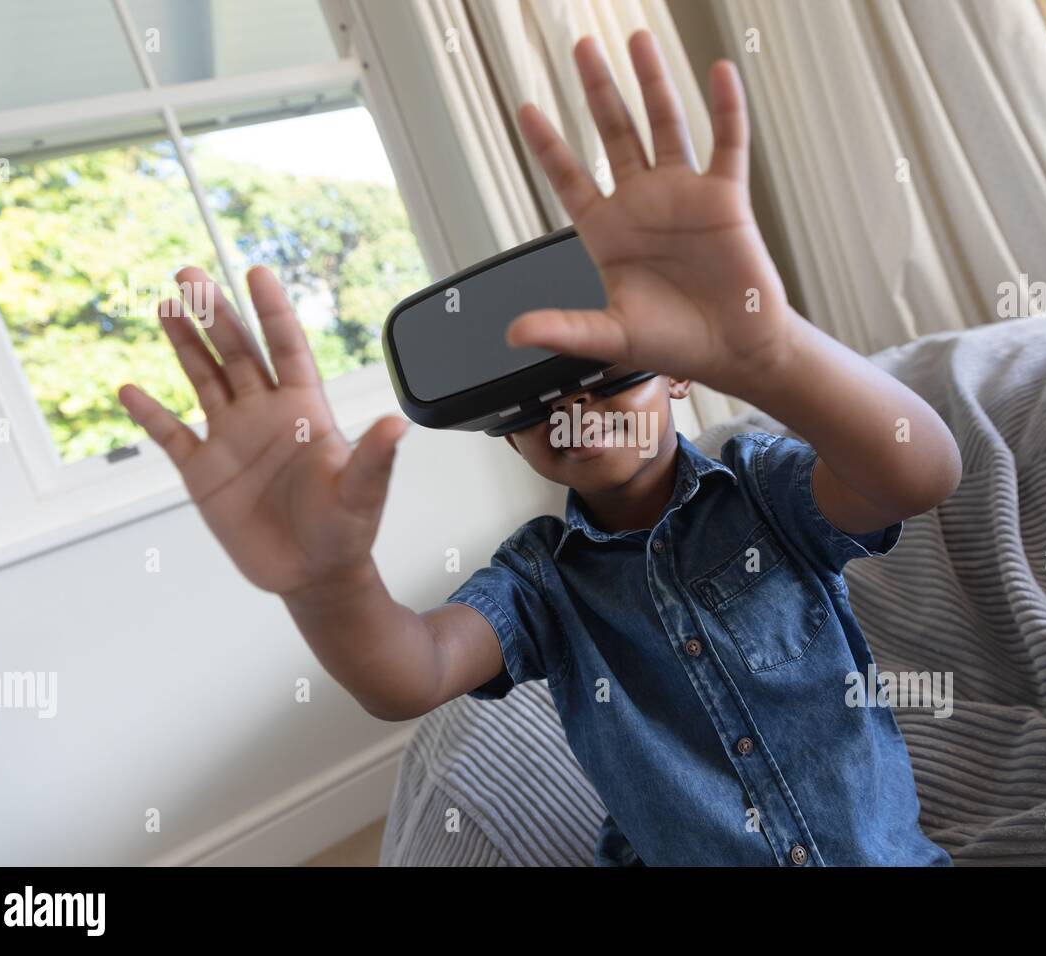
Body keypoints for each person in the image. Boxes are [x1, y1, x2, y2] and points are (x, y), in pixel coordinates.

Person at [119, 30, 961, 866]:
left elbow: (918, 471)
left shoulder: (760, 494)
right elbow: (408, 674)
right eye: (534, 408)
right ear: (509, 441)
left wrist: (772, 352)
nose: (576, 413)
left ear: (676, 378)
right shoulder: (540, 582)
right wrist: (327, 586)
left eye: (609, 381)